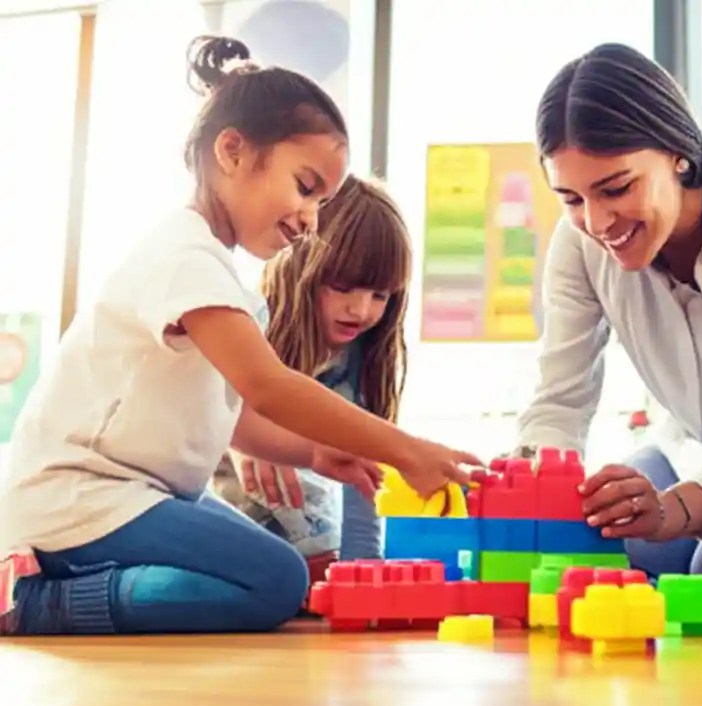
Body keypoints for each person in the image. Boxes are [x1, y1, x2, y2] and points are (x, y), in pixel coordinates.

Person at [0, 36, 478, 636]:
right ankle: (40, 601)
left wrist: (309, 452)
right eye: (306, 188)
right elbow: (268, 386)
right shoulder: (184, 257)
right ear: (231, 151)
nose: (310, 221)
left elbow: (229, 413)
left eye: (323, 202)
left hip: (139, 493)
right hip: (82, 496)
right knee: (274, 580)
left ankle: (70, 581)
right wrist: (407, 449)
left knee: (281, 572)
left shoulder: (213, 270)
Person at [516, 43, 702, 580]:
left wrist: (673, 509)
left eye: (616, 188)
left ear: (678, 152)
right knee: (605, 547)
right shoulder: (577, 246)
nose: (598, 221)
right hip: (685, 454)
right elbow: (560, 398)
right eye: (571, 198)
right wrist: (529, 489)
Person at [214, 176, 411, 575]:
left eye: (380, 296)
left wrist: (362, 572)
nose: (360, 310)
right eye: (343, 287)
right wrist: (241, 439)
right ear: (300, 269)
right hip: (234, 538)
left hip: (318, 557)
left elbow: (365, 485)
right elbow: (201, 421)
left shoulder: (364, 360)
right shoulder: (248, 331)